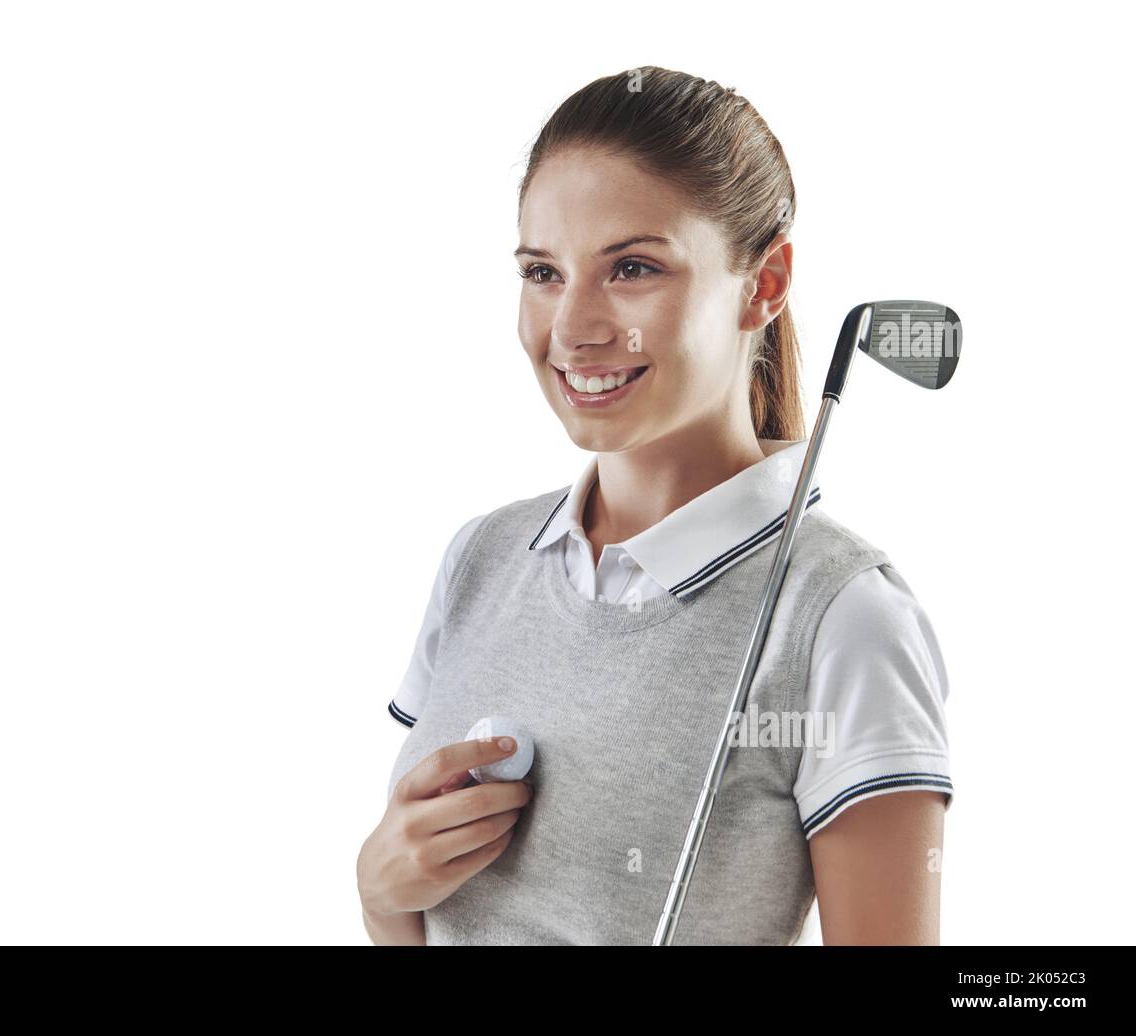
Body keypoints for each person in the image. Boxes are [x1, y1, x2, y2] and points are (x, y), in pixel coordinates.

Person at [356, 66, 953, 946]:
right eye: (543, 272)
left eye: (631, 268)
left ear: (765, 283)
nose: (573, 328)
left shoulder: (842, 615)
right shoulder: (482, 556)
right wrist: (380, 894)